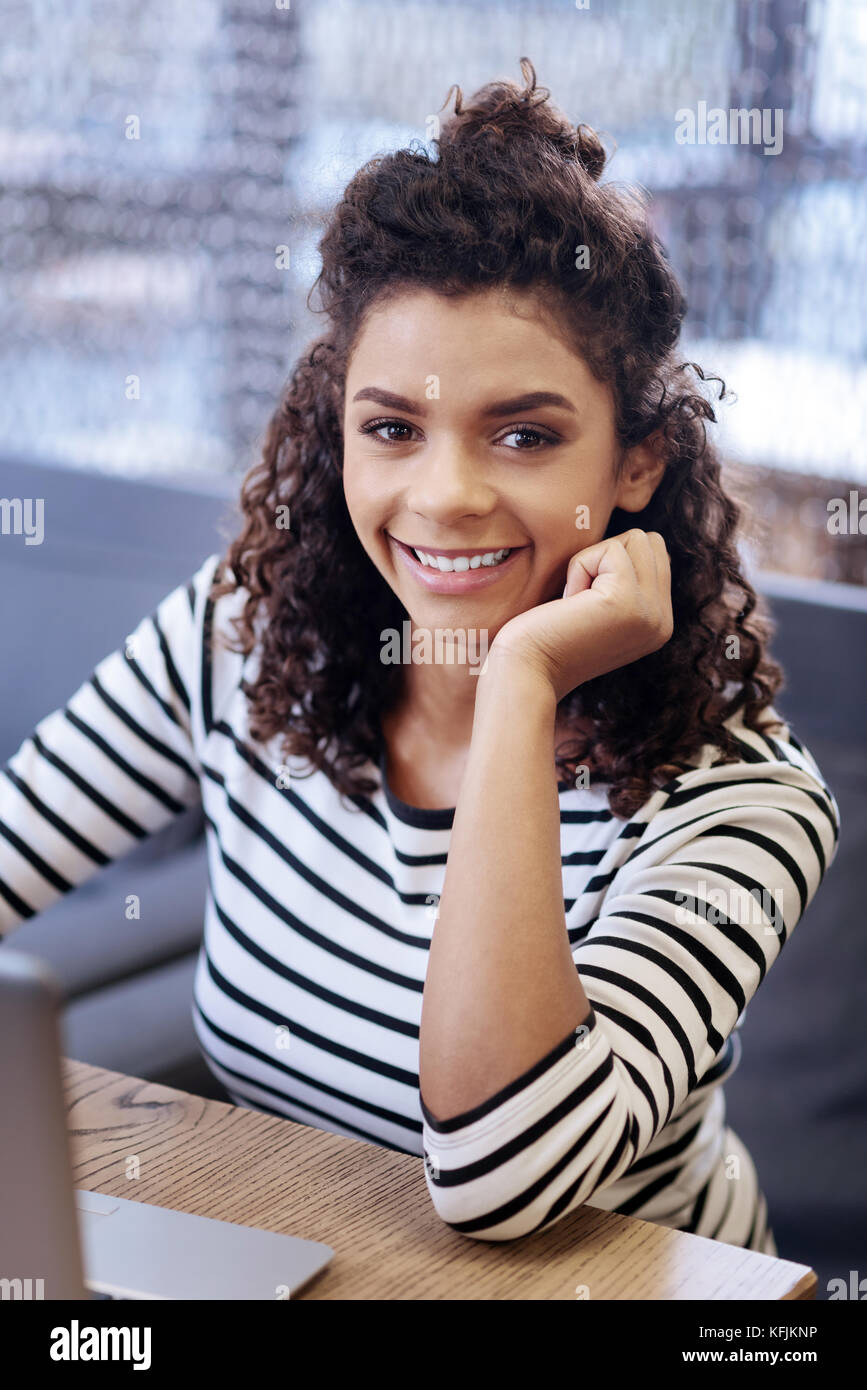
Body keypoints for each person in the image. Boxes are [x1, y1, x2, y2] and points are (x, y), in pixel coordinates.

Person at [0, 60, 840, 1255]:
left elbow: (503, 1177)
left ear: (637, 463)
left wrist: (521, 681)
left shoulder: (743, 804)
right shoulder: (238, 633)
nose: (444, 495)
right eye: (392, 427)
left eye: (524, 433)